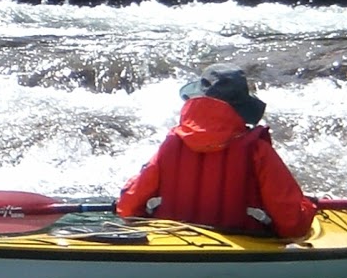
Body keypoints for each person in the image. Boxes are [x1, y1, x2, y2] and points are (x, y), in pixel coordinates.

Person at [115, 64, 316, 238]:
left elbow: (128, 207)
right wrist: (308, 208)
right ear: (243, 108)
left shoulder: (172, 143)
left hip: (174, 239)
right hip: (243, 246)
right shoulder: (257, 150)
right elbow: (293, 224)